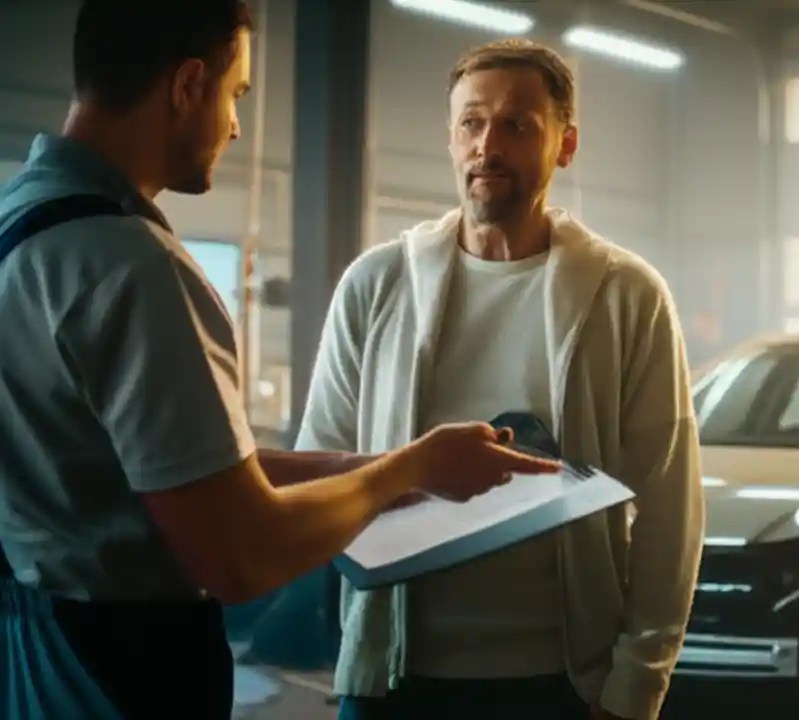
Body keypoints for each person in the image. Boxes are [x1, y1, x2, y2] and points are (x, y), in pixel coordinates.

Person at [0, 3, 559, 719]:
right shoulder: (132, 266)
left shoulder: (26, 221)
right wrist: (406, 473)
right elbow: (241, 554)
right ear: (187, 86)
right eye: (236, 95)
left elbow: (198, 475)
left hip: (40, 657)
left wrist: (402, 461)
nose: (236, 125)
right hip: (116, 674)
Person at [296, 39, 706, 720]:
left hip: (563, 682)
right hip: (392, 678)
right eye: (471, 123)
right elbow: (319, 466)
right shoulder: (378, 283)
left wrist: (637, 685)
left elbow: (671, 511)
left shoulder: (625, 294)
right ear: (452, 139)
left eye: (518, 125)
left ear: (565, 144)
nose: (488, 145)